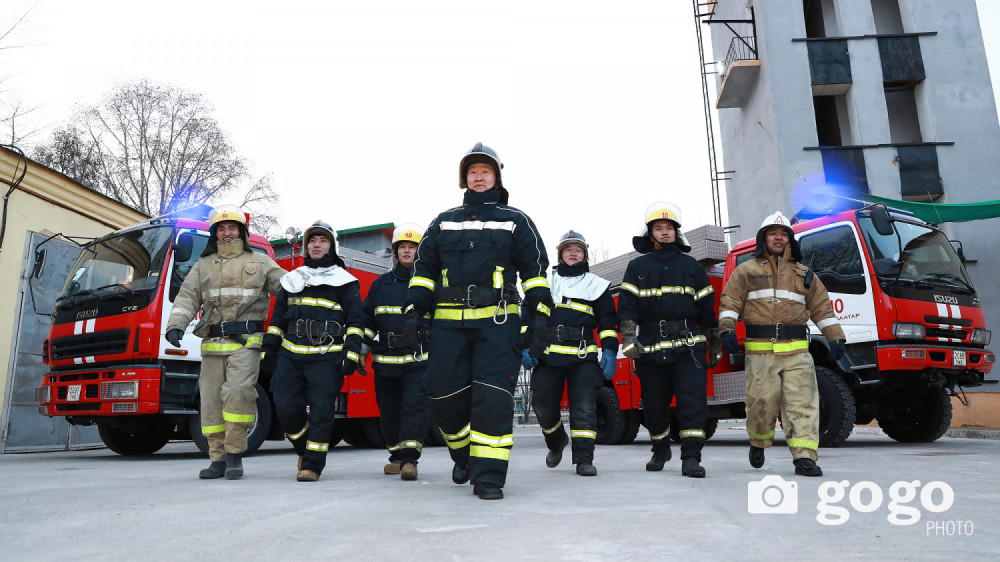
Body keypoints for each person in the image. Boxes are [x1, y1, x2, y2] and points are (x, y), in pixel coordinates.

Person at [403, 142, 552, 500]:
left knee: (493, 399)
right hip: (447, 326)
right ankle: (463, 455)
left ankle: (489, 477)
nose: (480, 177)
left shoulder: (517, 221)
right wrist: (414, 310)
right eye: (473, 172)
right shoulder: (443, 221)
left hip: (498, 325)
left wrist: (541, 317)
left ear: (497, 177)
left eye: (486, 172)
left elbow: (535, 273)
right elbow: (424, 271)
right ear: (464, 180)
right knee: (442, 396)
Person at [718, 211, 845, 477]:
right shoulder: (746, 271)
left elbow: (823, 309)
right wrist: (726, 330)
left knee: (803, 405)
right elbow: (729, 303)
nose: (778, 237)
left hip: (798, 351)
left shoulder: (805, 274)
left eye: (783, 233)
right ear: (763, 238)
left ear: (790, 239)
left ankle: (804, 458)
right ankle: (758, 441)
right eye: (773, 233)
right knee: (761, 404)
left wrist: (836, 338)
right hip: (760, 352)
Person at [165, 204, 284, 480]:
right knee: (210, 402)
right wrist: (176, 325)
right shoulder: (202, 265)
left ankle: (234, 456)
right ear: (214, 234)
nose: (227, 233)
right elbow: (186, 297)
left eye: (232, 228)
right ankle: (216, 459)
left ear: (241, 231)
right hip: (212, 345)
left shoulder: (260, 261)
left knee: (238, 393)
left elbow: (287, 288)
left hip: (246, 343)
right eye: (222, 229)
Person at [617, 201, 718, 478]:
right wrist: (628, 338)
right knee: (653, 404)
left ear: (676, 233)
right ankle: (660, 449)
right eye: (659, 228)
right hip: (650, 348)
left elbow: (706, 307)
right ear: (651, 235)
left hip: (689, 348)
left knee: (692, 403)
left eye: (669, 228)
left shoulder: (691, 267)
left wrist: (715, 340)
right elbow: (626, 307)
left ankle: (691, 457)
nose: (665, 232)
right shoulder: (636, 267)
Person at [261, 220, 365, 482]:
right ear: (307, 246)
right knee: (285, 407)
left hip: (326, 356)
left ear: (332, 246)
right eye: (313, 241)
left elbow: (355, 322)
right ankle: (304, 448)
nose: (317, 245)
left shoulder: (346, 281)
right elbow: (278, 320)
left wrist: (351, 353)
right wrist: (269, 351)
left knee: (321, 412)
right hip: (291, 353)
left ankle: (313, 465)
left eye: (323, 241)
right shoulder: (292, 279)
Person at [521, 230, 618, 477]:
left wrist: (609, 350)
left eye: (578, 250)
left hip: (582, 358)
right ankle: (556, 442)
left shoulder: (597, 285)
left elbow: (607, 322)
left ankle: (584, 459)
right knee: (542, 406)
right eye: (568, 250)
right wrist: (525, 345)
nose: (573, 253)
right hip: (548, 356)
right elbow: (527, 317)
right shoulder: (544, 282)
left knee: (585, 409)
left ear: (584, 255)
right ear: (560, 255)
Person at [362, 223, 430, 481]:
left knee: (414, 409)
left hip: (417, 361)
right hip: (385, 361)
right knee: (388, 412)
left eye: (412, 247)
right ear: (395, 251)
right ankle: (396, 456)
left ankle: (410, 460)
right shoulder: (381, 285)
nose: (407, 251)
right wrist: (362, 350)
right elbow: (367, 320)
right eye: (402, 246)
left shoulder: (429, 286)